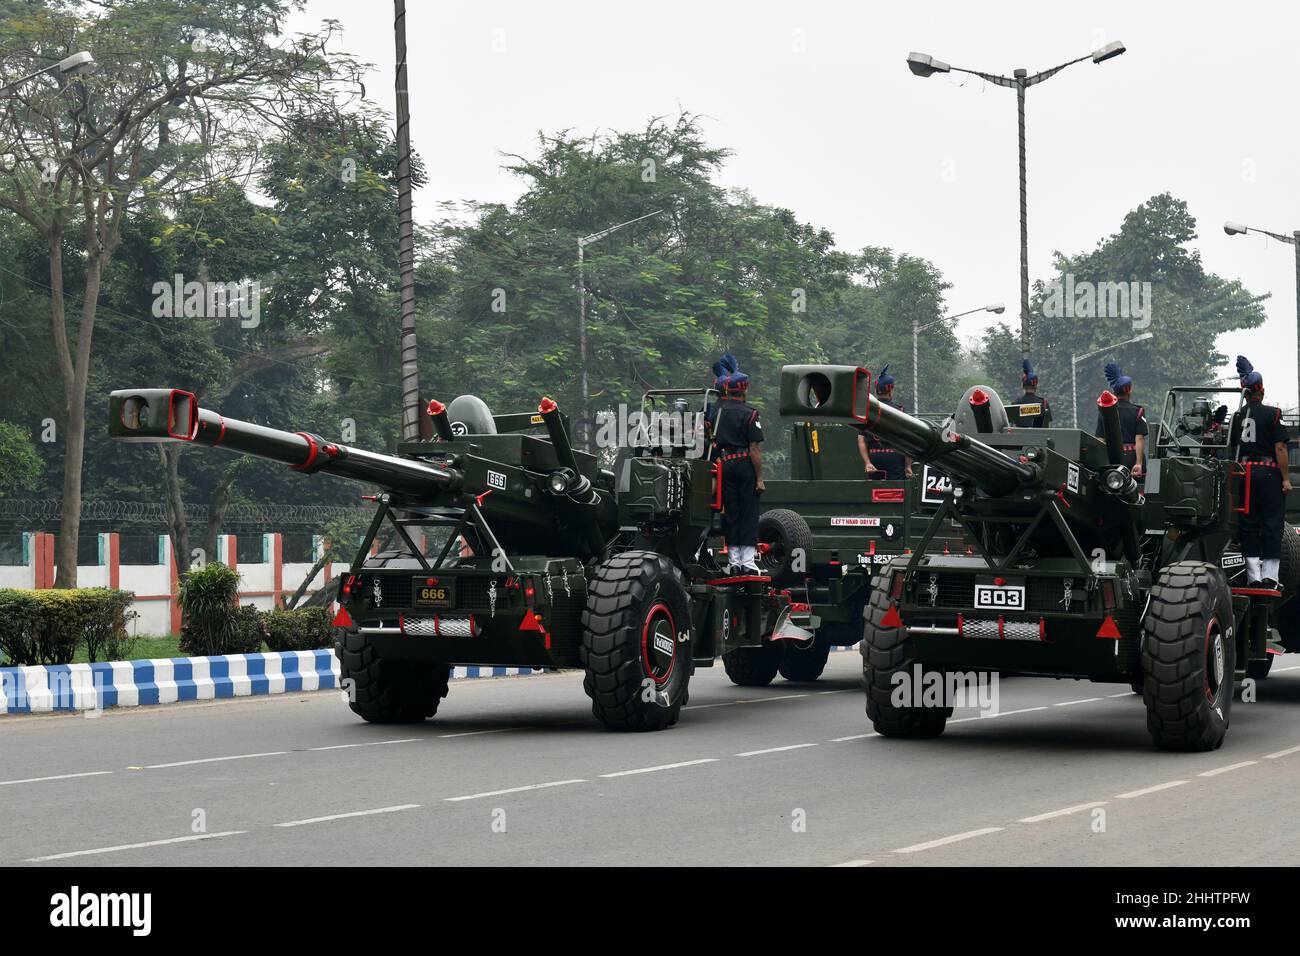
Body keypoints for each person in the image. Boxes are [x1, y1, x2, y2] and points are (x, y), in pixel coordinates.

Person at [1230, 356, 1292, 589]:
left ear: (1245, 393)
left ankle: (1253, 577)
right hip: (1268, 474)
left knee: (1248, 524)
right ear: (1262, 391)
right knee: (1272, 524)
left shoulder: (1238, 416)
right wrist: (1285, 479)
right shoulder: (1273, 414)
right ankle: (1270, 578)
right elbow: (1280, 447)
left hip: (1244, 474)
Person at [707, 354, 764, 574]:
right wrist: (759, 477)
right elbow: (754, 449)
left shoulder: (717, 412)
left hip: (725, 465)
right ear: (744, 391)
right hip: (744, 464)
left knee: (731, 512)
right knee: (748, 512)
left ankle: (734, 562)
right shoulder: (750, 414)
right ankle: (748, 563)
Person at [857, 365, 912, 479]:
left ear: (876, 389)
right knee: (897, 492)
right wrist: (908, 466)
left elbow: (861, 440)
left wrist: (867, 462)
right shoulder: (900, 411)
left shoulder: (868, 411)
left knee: (875, 491)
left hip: (874, 457)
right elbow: (907, 442)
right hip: (895, 458)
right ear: (890, 389)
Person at [1094, 361, 1148, 477]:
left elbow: (1100, 440)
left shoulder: (1105, 412)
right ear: (1129, 390)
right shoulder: (1138, 411)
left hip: (1111, 459)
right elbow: (1139, 438)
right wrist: (1139, 463)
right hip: (1131, 458)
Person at [1012, 359, 1053, 427]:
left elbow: (1012, 425)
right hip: (1039, 437)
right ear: (1036, 386)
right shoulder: (1044, 404)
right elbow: (1047, 426)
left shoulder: (1016, 404)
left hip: (1020, 437)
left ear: (1023, 386)